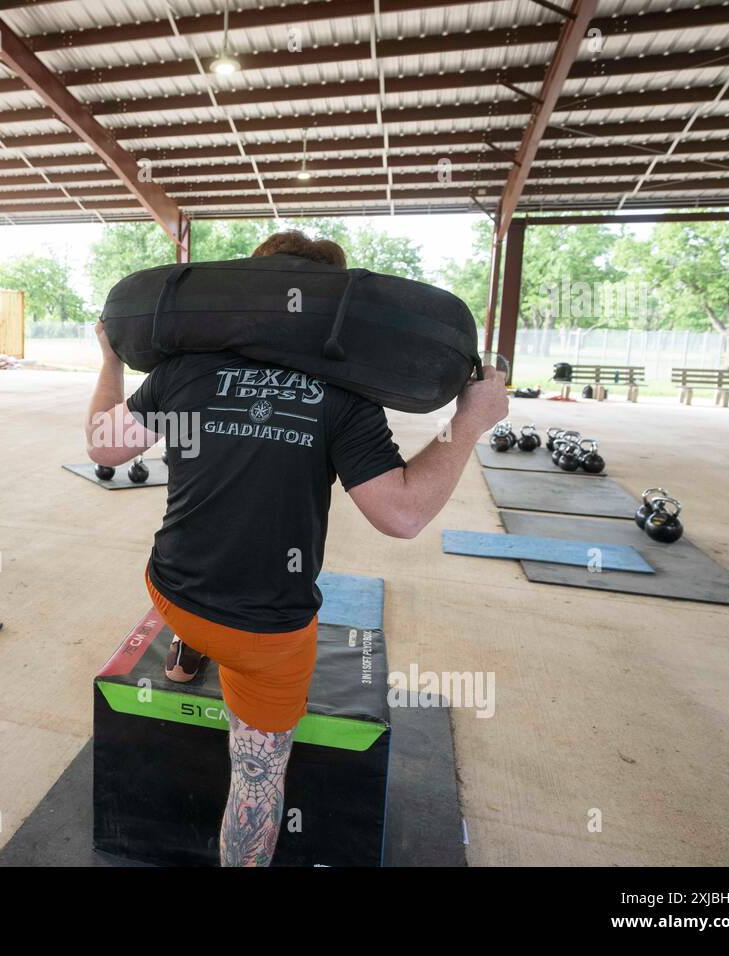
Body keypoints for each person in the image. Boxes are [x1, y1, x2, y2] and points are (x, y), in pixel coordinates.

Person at [84, 230, 509, 866]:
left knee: (205, 549)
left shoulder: (183, 370)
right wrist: (470, 422)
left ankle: (186, 651)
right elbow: (402, 515)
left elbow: (103, 448)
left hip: (168, 591)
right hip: (266, 637)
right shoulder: (345, 395)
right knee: (257, 781)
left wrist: (111, 359)